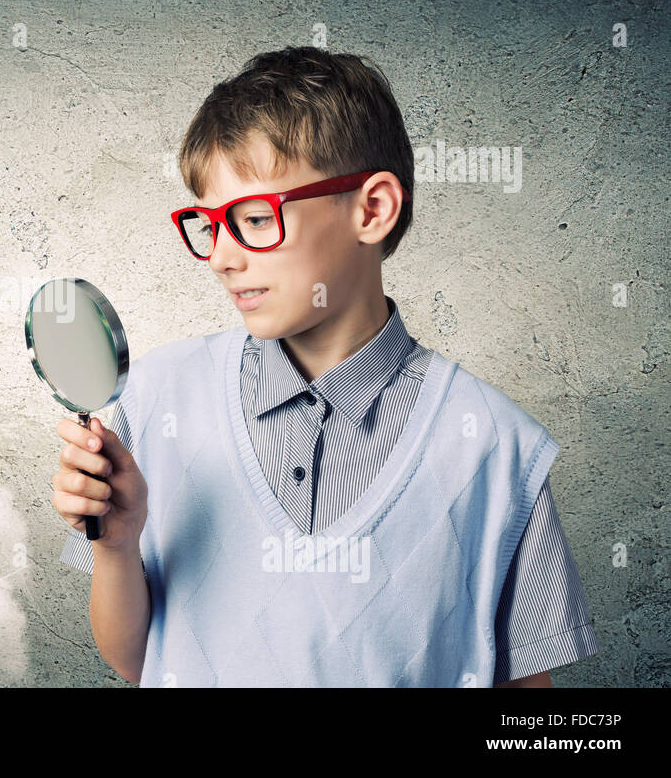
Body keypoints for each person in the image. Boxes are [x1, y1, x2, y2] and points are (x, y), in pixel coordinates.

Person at [51, 46, 598, 687]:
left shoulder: (496, 451)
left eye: (254, 219)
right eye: (207, 224)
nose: (222, 257)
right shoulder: (157, 397)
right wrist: (116, 546)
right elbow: (133, 661)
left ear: (372, 210)